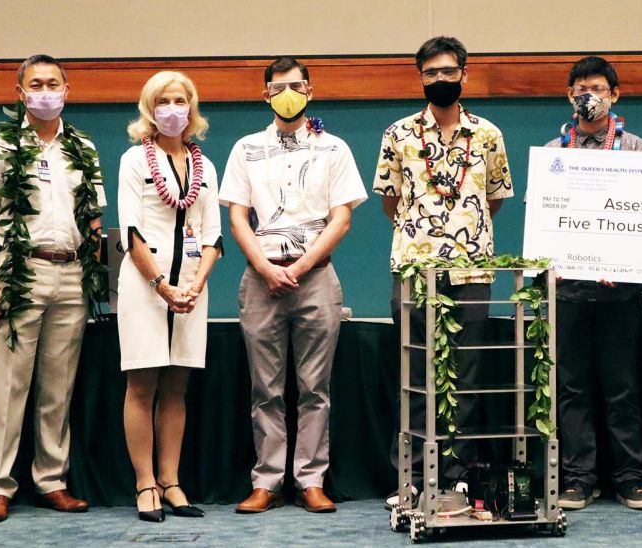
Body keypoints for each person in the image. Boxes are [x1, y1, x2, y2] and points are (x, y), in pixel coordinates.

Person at [221, 57, 367, 514]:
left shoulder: (334, 148)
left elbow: (341, 217)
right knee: (265, 388)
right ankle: (266, 481)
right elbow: (237, 216)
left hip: (317, 277)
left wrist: (301, 266)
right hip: (261, 277)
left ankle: (310, 480)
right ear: (265, 94)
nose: (289, 92)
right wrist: (265, 266)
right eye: (279, 86)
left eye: (297, 85)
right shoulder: (245, 148)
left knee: (314, 388)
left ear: (310, 90)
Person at [375, 36, 513, 509]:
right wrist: (424, 238)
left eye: (448, 71)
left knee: (467, 376)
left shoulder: (489, 134)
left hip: (472, 268)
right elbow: (389, 200)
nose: (440, 80)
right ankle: (410, 479)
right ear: (420, 78)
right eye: (430, 73)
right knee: (415, 374)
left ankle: (459, 476)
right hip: (414, 267)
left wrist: (462, 235)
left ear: (464, 74)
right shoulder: (398, 134)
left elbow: (493, 199)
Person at [0, 54, 106, 523]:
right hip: (17, 274)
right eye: (36, 84)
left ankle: (52, 480)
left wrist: (94, 278)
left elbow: (93, 219)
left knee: (58, 386)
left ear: (67, 90)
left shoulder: (83, 148)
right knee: (8, 384)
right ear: (20, 90)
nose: (45, 91)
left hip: (70, 275)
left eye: (53, 83)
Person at [543, 56, 642, 511]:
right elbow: (547, 219)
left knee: (622, 387)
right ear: (569, 95)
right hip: (568, 289)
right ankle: (577, 478)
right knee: (571, 388)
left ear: (615, 94)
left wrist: (628, 261)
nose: (587, 95)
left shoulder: (636, 148)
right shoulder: (554, 151)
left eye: (597, 87)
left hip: (620, 290)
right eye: (579, 88)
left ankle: (631, 479)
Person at [117, 71, 221, 522]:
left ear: (192, 108)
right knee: (142, 384)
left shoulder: (205, 165)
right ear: (149, 108)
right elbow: (131, 231)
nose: (173, 109)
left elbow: (214, 233)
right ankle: (145, 485)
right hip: (146, 284)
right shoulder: (134, 160)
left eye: (180, 100)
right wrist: (161, 284)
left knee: (177, 385)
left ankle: (171, 481)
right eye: (163, 101)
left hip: (192, 288)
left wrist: (194, 285)